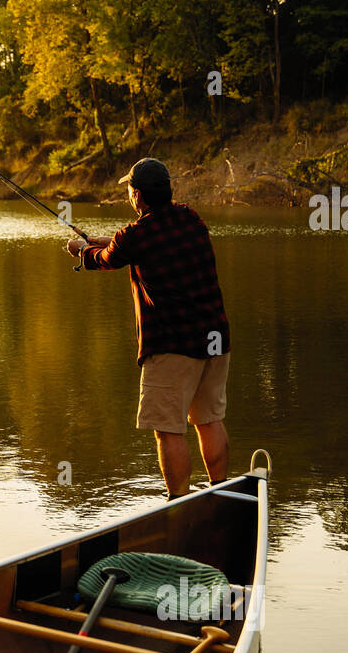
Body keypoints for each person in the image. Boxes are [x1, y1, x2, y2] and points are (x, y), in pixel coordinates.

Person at [65, 158, 231, 500]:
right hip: (215, 340)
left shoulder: (136, 235)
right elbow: (130, 245)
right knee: (209, 419)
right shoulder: (191, 218)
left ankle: (179, 503)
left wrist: (82, 250)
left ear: (137, 196)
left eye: (129, 189)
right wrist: (107, 240)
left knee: (168, 430)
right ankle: (221, 492)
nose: (129, 194)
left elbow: (105, 259)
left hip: (173, 345)